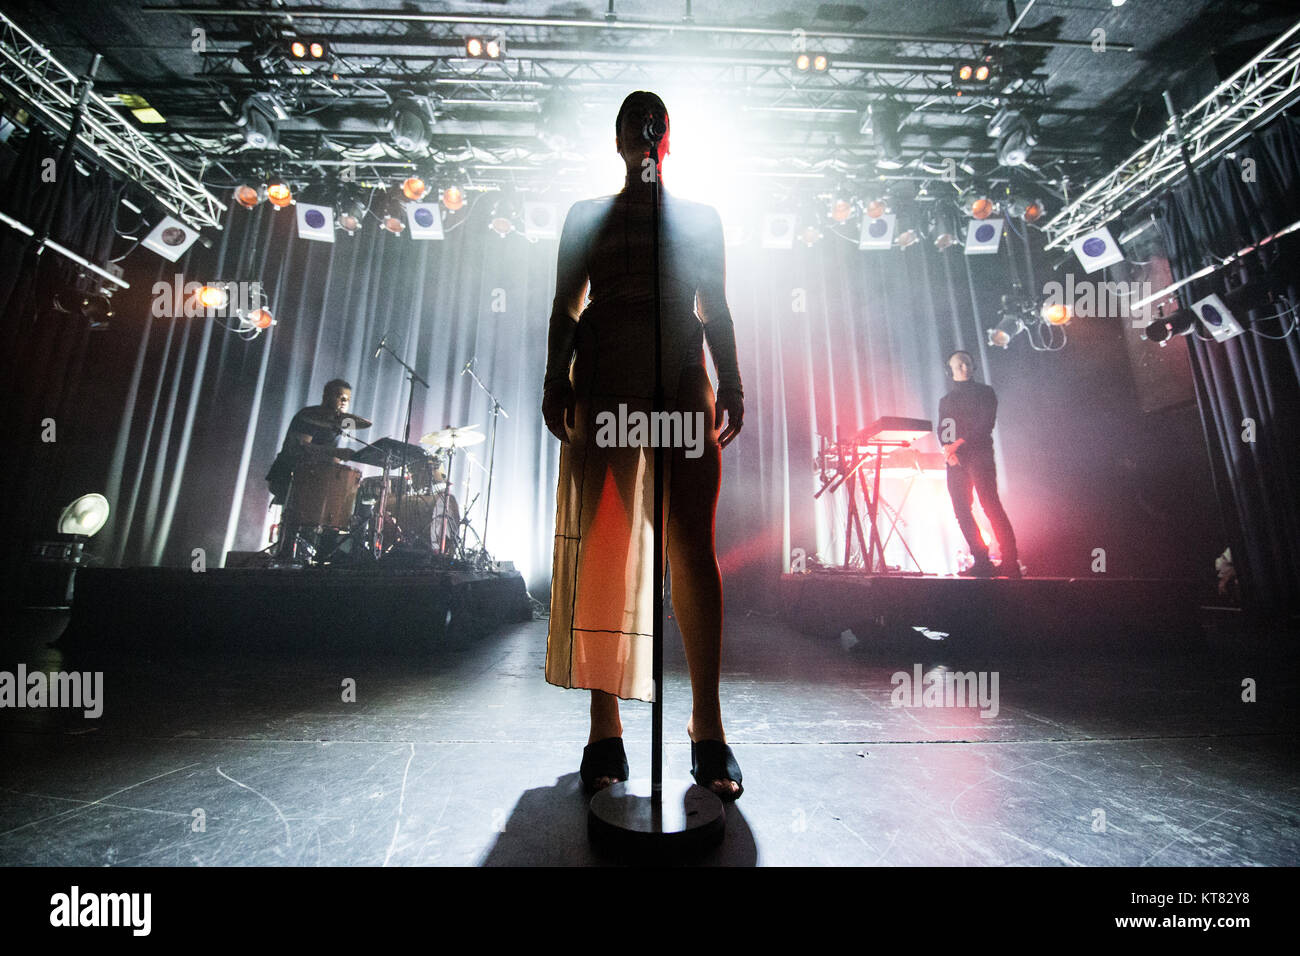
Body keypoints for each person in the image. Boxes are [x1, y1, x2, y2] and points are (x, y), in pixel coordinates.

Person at [541, 91, 746, 800]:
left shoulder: (700, 218)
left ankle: (708, 727)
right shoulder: (586, 216)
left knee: (692, 544)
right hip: (605, 382)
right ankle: (605, 728)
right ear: (619, 139)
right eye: (634, 117)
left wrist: (735, 381)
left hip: (680, 379)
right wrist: (553, 378)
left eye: (654, 117)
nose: (645, 126)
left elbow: (714, 303)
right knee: (605, 546)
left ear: (667, 139)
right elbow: (567, 303)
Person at [937, 351, 1020, 578]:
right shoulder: (947, 400)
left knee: (989, 504)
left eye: (967, 363)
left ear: (973, 367)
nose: (964, 367)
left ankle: (1010, 561)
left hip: (979, 455)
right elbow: (944, 428)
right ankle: (981, 559)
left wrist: (957, 444)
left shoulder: (985, 392)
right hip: (956, 459)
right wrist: (948, 449)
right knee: (961, 509)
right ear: (950, 371)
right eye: (959, 365)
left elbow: (984, 424)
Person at [266, 379, 356, 557]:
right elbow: (302, 446)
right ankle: (288, 550)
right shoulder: (309, 416)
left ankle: (327, 551)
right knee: (301, 518)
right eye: (339, 396)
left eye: (347, 398)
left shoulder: (344, 423)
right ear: (326, 396)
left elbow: (335, 458)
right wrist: (336, 452)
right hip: (290, 474)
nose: (344, 401)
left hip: (319, 478)